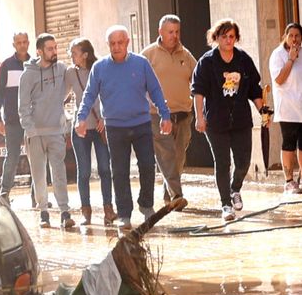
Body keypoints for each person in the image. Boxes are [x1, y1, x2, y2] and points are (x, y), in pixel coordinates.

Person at [75, 25, 178, 230]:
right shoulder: (100, 68)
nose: (116, 47)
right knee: (119, 171)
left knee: (148, 166)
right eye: (112, 43)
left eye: (120, 42)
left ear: (127, 42)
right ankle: (124, 213)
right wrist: (81, 118)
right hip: (115, 127)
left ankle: (146, 205)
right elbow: (89, 95)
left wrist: (165, 115)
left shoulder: (140, 63)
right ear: (108, 45)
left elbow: (155, 90)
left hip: (141, 124)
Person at [191, 20, 263, 223]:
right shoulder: (207, 62)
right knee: (222, 163)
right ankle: (225, 204)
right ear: (216, 38)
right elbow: (198, 91)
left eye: (231, 36)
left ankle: (235, 189)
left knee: (243, 162)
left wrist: (262, 110)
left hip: (241, 119)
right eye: (224, 36)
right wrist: (200, 117)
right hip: (215, 121)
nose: (228, 40)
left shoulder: (243, 60)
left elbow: (254, 89)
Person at [18, 33, 76, 229]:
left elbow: (68, 90)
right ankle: (43, 212)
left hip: (56, 131)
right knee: (39, 174)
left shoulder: (61, 69)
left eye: (55, 48)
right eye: (50, 49)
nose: (54, 52)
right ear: (39, 51)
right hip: (35, 134)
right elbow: (23, 105)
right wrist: (30, 129)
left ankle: (64, 212)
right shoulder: (28, 75)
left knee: (59, 172)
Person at [141, 16, 198, 206]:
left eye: (177, 31)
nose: (174, 36)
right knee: (165, 155)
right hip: (156, 115)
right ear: (161, 33)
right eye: (170, 32)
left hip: (183, 114)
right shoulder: (148, 55)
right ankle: (177, 195)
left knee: (179, 156)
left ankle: (169, 194)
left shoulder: (186, 54)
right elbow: (139, 84)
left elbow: (198, 80)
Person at [269, 21, 302, 194]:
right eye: (291, 35)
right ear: (285, 36)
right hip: (288, 108)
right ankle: (289, 181)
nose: (294, 39)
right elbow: (279, 79)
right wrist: (291, 59)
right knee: (289, 144)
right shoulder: (277, 55)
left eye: (297, 35)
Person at [67, 38, 114, 226]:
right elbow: (60, 96)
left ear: (85, 54)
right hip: (81, 129)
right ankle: (86, 212)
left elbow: (110, 94)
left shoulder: (101, 67)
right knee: (84, 171)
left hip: (100, 127)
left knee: (104, 169)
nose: (72, 56)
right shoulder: (70, 73)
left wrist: (105, 117)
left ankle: (108, 210)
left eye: (75, 53)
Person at [0, 31, 30, 199]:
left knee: (35, 159)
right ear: (14, 45)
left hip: (31, 121)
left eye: (24, 42)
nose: (22, 45)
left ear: (28, 43)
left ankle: (38, 198)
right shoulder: (6, 65)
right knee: (12, 157)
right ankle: (5, 193)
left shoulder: (35, 64)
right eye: (18, 42)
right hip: (13, 121)